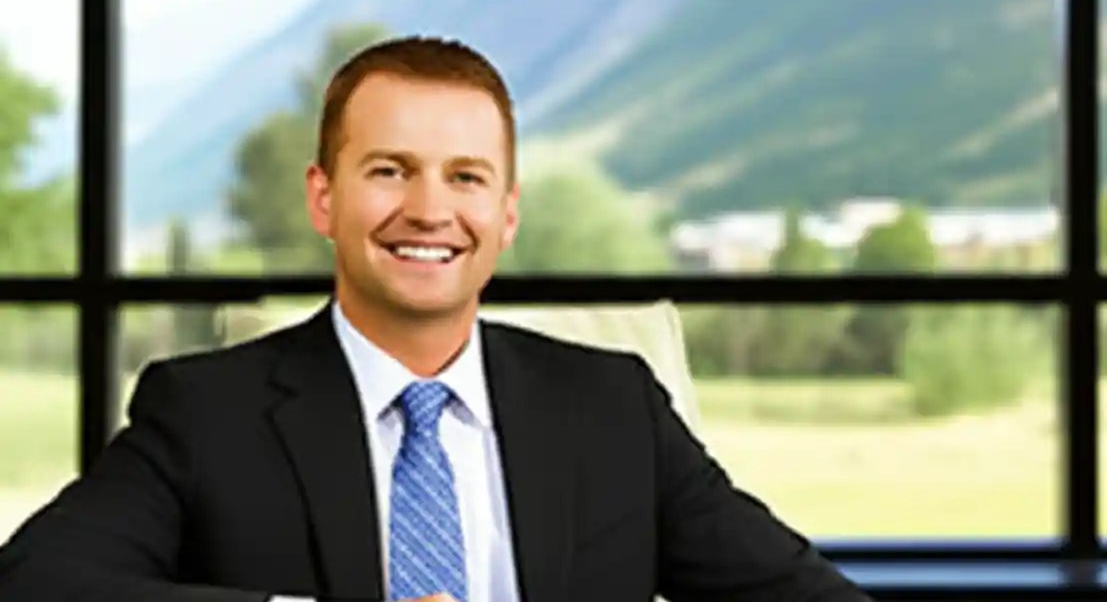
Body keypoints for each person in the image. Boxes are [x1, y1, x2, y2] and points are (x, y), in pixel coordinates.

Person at [0, 37, 874, 602]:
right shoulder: (205, 411)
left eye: (465, 177)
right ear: (322, 196)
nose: (428, 210)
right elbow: (39, 583)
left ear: (507, 212)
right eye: (388, 170)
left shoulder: (613, 406)